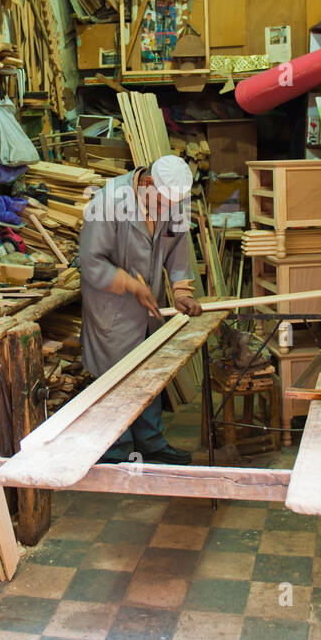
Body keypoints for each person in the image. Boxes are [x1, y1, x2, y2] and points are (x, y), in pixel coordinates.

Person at [79, 154, 202, 464]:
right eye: (162, 205)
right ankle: (116, 449)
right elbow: (90, 261)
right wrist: (130, 284)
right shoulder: (107, 203)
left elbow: (177, 246)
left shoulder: (173, 204)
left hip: (149, 304)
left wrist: (181, 290)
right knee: (116, 376)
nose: (169, 213)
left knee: (148, 371)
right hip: (111, 305)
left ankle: (150, 441)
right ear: (148, 184)